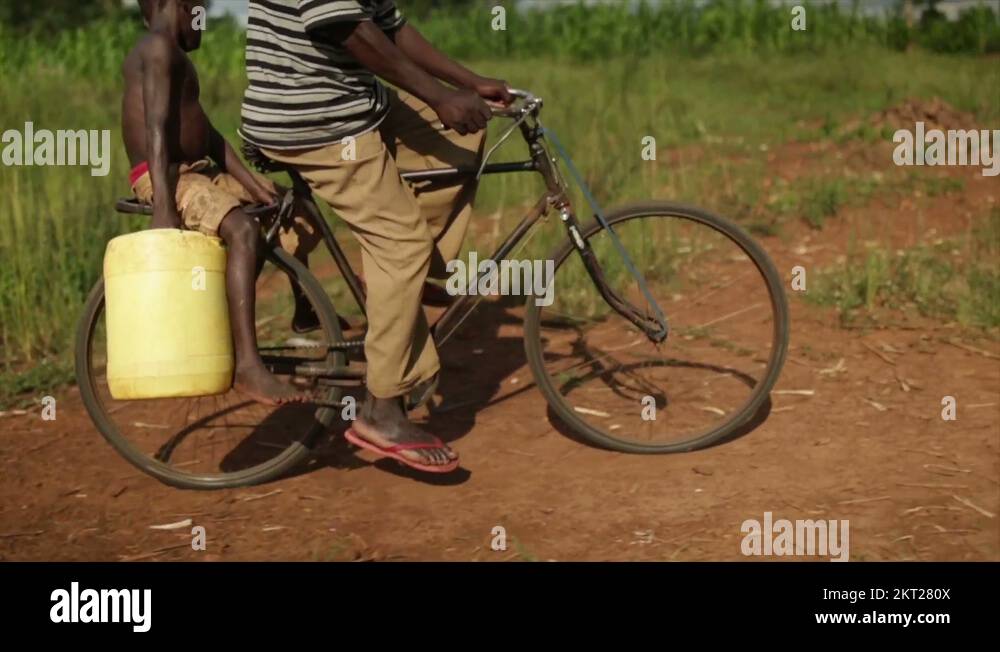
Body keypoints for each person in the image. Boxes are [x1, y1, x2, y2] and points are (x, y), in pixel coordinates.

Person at [241, 0, 512, 472]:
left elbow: (389, 26)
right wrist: (439, 95)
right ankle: (381, 411)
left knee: (461, 140)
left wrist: (466, 82)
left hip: (351, 98)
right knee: (401, 242)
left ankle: (398, 290)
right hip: (313, 117)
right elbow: (346, 27)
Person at [123, 0, 318, 405]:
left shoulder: (173, 55)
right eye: (199, 13)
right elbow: (157, 129)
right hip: (166, 177)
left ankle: (306, 309)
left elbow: (209, 136)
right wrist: (163, 207)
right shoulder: (158, 49)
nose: (203, 24)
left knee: (293, 205)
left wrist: (251, 182)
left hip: (198, 170)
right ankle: (247, 365)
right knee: (243, 229)